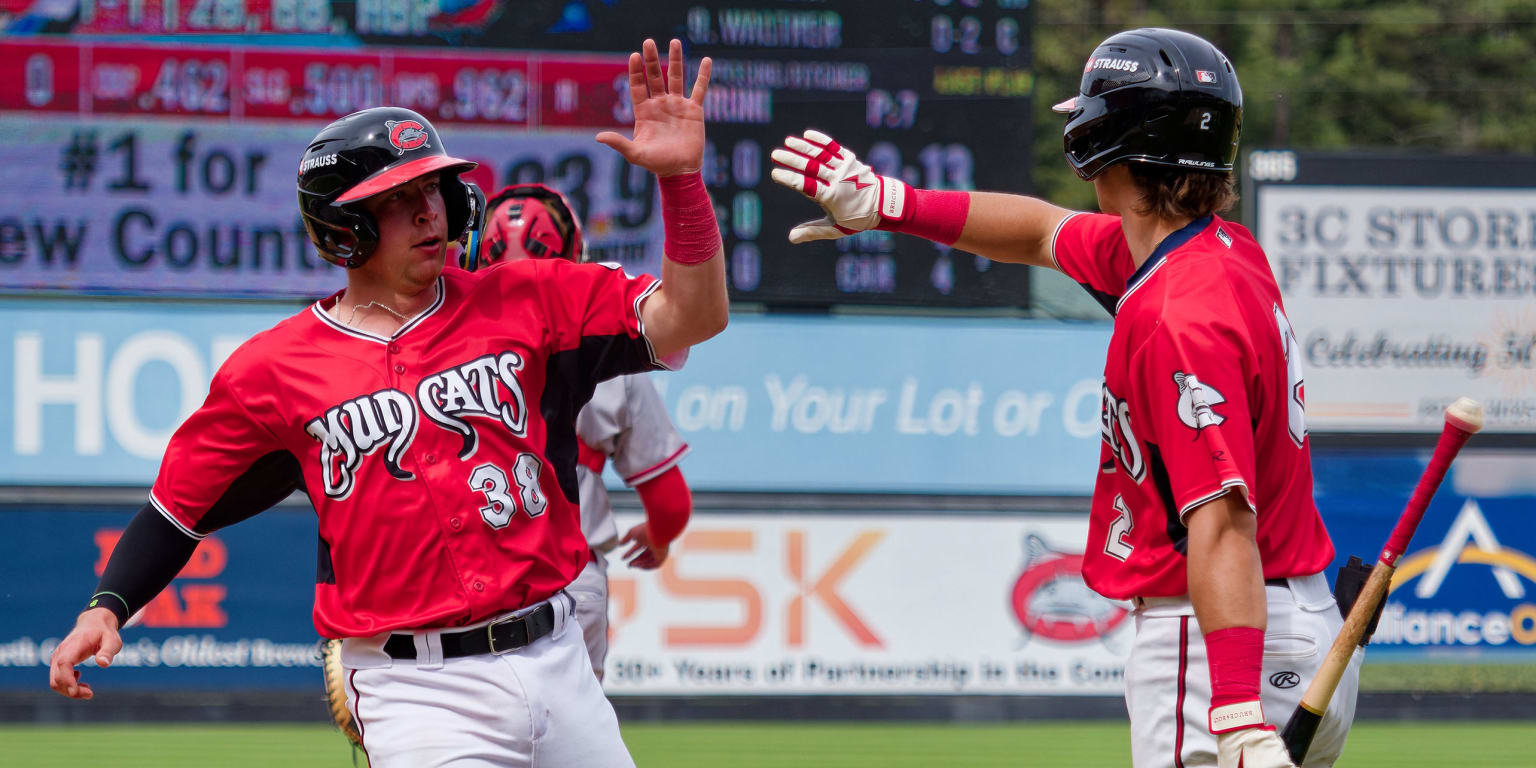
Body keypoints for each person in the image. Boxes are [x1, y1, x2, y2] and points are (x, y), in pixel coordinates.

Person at [47, 37, 724, 768]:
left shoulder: (531, 297)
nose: (429, 212)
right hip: (418, 690)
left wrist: (682, 181)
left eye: (434, 189)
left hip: (561, 659)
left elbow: (694, 317)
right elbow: (178, 507)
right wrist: (106, 606)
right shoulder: (273, 369)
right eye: (400, 201)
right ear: (345, 229)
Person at [770, 27, 1357, 768]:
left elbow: (1223, 520)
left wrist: (1237, 713)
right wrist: (886, 201)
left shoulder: (1179, 314)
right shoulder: (1212, 252)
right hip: (1280, 622)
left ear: (1107, 139)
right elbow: (1042, 232)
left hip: (1217, 639)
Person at [474, 182, 693, 679]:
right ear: (574, 255)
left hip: (472, 579)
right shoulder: (609, 341)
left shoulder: (442, 337)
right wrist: (659, 535)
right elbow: (670, 503)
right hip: (573, 577)